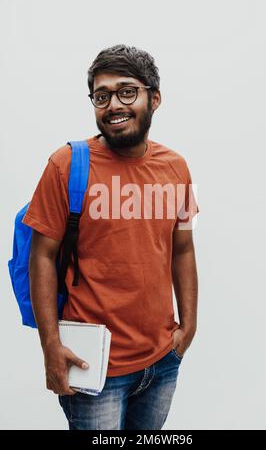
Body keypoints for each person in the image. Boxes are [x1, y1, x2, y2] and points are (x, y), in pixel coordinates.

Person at [22, 44, 199, 430]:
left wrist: (189, 327)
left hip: (162, 360)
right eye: (101, 96)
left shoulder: (177, 167)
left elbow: (182, 249)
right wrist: (50, 348)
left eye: (126, 91)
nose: (113, 105)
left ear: (154, 98)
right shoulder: (66, 165)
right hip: (93, 366)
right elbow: (41, 258)